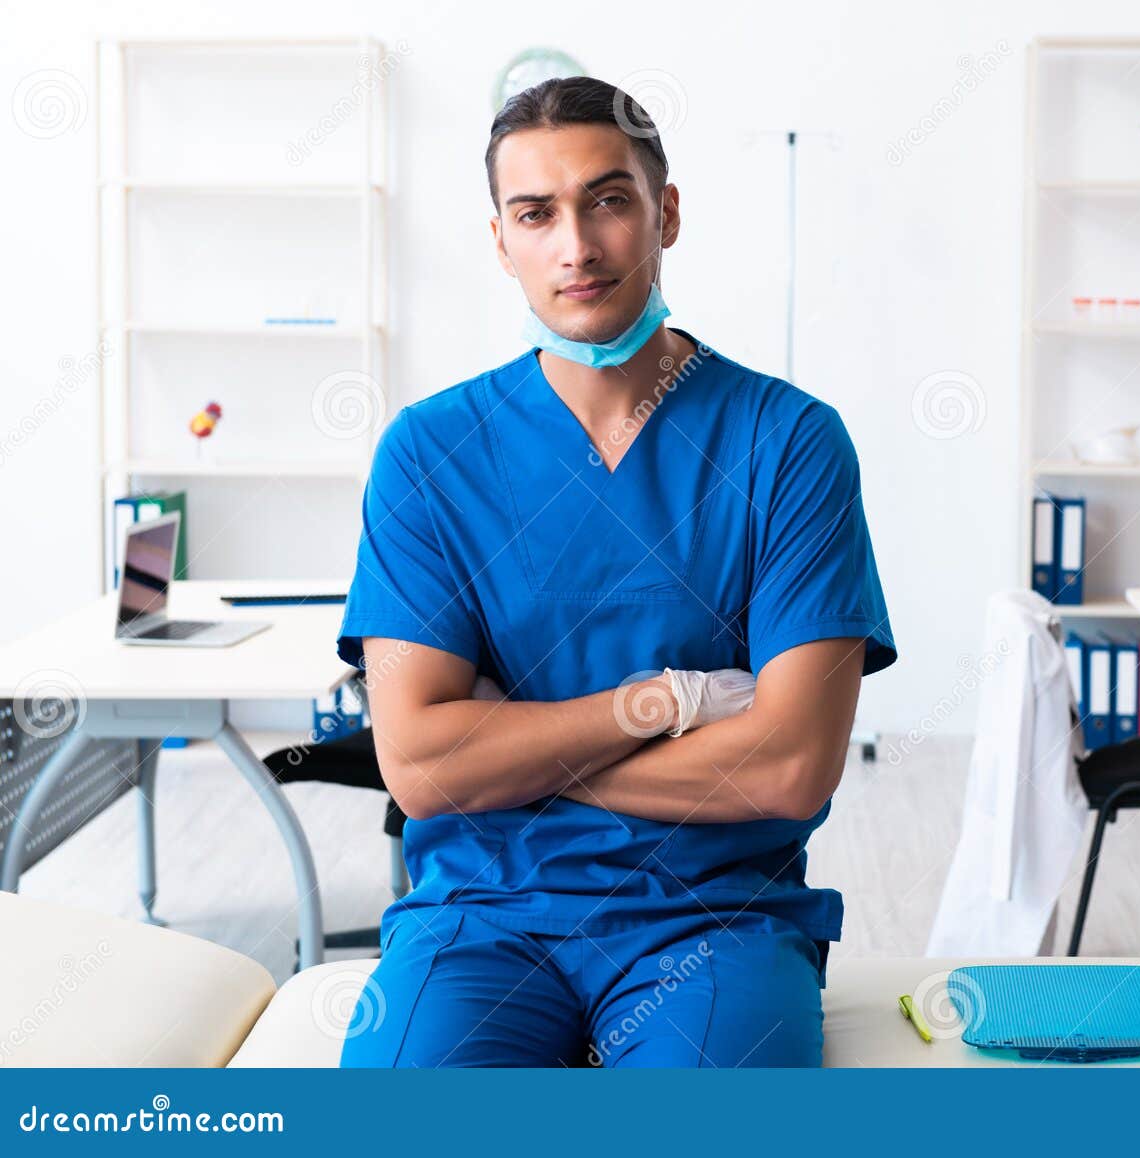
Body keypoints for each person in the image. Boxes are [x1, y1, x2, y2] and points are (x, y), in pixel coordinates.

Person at [334, 75, 896, 1068]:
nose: (577, 247)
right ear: (500, 241)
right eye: (536, 214)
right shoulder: (429, 454)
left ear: (664, 211)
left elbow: (789, 764)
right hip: (480, 913)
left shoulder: (787, 443)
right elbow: (419, 768)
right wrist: (667, 703)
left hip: (714, 919)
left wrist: (509, 752)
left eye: (608, 200)